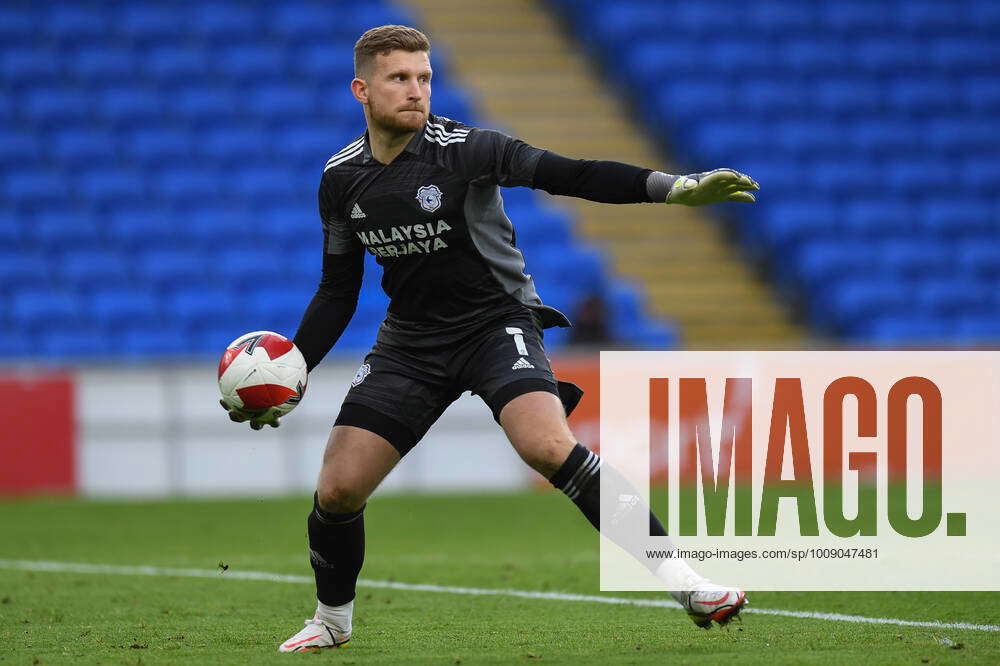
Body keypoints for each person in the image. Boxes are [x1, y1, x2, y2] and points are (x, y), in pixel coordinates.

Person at [220, 25, 759, 652]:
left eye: (425, 77)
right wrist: (295, 370)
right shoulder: (341, 180)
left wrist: (675, 188)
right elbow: (339, 290)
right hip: (410, 344)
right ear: (361, 89)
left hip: (495, 324)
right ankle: (333, 622)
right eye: (400, 78)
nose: (417, 90)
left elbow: (572, 174)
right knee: (337, 489)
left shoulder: (467, 150)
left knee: (547, 446)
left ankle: (689, 583)